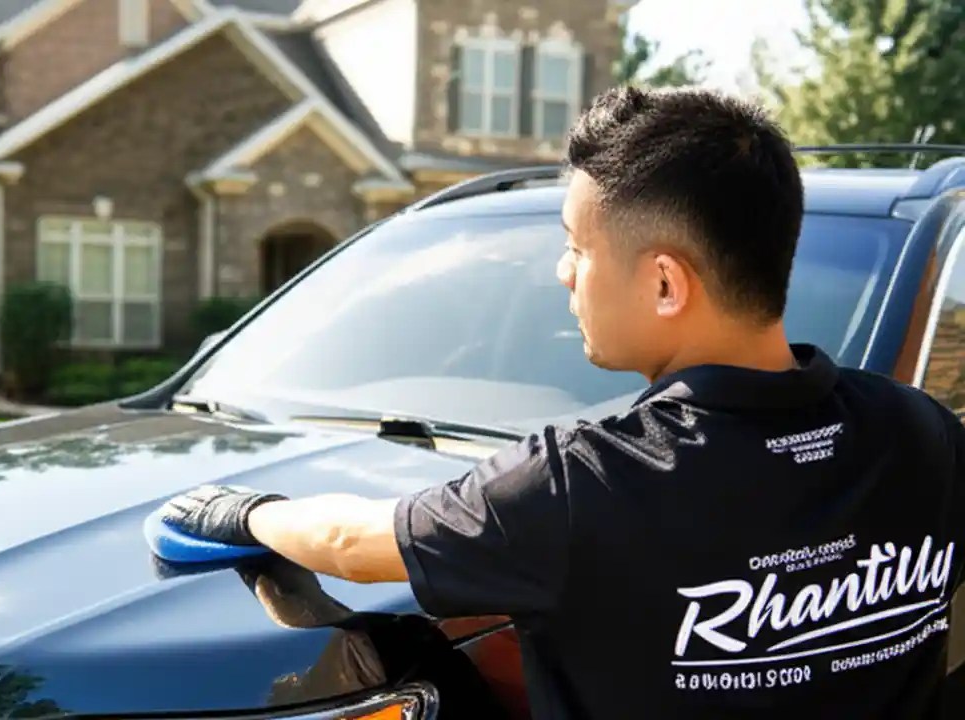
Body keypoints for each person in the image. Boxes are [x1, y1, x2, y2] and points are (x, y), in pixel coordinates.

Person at [158, 86, 965, 719]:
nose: (563, 273)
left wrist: (237, 513)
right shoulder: (923, 433)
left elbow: (348, 541)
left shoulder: (586, 483)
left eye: (578, 248)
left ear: (662, 283)